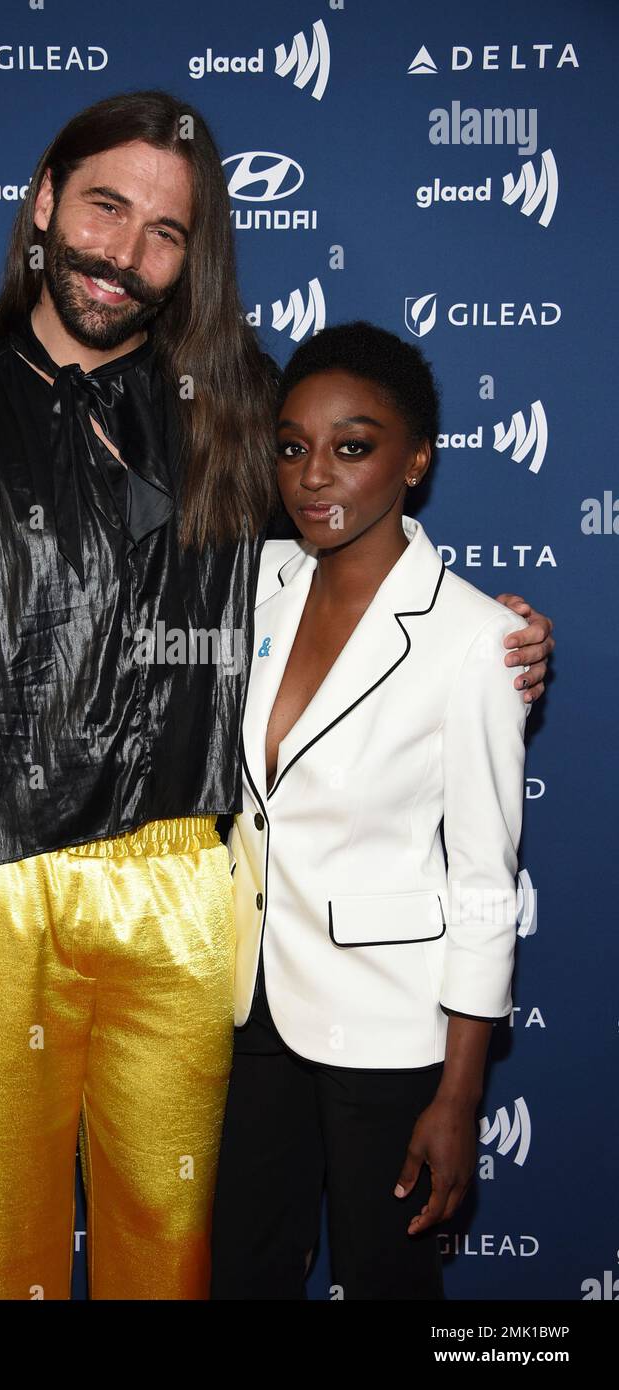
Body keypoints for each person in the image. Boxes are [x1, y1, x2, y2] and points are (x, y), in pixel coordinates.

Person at [0, 93, 553, 1302]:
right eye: (107, 207)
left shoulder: (238, 416)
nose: (127, 253)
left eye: (167, 232)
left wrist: (502, 632)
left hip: (181, 892)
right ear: (46, 204)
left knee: (171, 1253)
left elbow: (355, 539)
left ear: (191, 254)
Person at [211, 321, 538, 1301]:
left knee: (387, 1284)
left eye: (351, 446)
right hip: (248, 1011)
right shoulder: (252, 587)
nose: (314, 474)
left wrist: (458, 1093)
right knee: (239, 1275)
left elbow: (484, 883)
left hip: (390, 1033)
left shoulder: (476, 639)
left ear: (415, 461)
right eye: (291, 445)